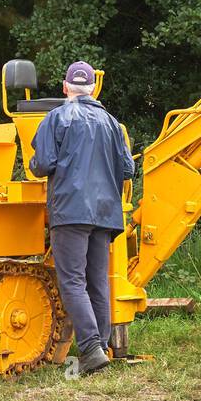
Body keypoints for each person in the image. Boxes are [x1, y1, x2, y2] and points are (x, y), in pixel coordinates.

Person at [29, 61, 135, 374]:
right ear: (92, 88)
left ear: (65, 88)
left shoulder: (57, 117)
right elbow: (128, 169)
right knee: (97, 282)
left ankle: (90, 348)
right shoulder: (112, 124)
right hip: (105, 213)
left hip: (71, 211)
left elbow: (42, 164)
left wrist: (37, 161)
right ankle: (100, 347)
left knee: (72, 281)